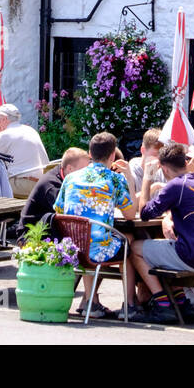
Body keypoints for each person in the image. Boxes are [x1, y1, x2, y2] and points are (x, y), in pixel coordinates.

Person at [130, 142, 194, 324]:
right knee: (166, 245)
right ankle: (181, 302)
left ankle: (162, 304)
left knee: (135, 247)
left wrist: (147, 179)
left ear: (165, 169)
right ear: (184, 162)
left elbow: (144, 213)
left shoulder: (175, 186)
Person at [53, 132, 138, 319]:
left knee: (89, 237)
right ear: (112, 156)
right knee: (129, 240)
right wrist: (130, 178)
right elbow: (131, 214)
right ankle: (130, 304)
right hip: (97, 250)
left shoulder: (71, 178)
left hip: (73, 248)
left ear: (90, 153)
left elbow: (59, 210)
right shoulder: (115, 179)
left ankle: (91, 302)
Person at [18, 147, 90, 233]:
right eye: (84, 170)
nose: (87, 174)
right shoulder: (52, 185)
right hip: (30, 233)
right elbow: (69, 212)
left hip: (47, 227)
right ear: (70, 168)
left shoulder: (63, 174)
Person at [0, 104, 49, 179]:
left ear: (4, 119)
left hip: (20, 182)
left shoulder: (5, 135)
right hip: (40, 182)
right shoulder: (30, 130)